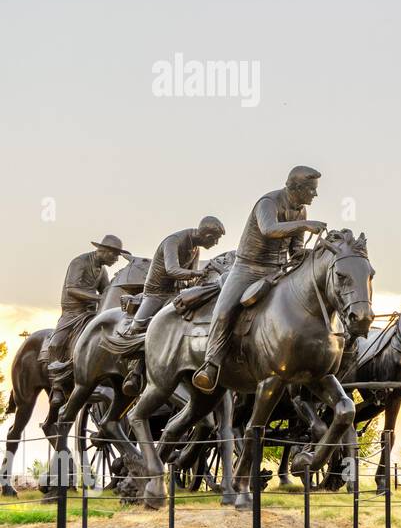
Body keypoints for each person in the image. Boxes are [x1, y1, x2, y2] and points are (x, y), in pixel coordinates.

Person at [191, 167, 324, 393]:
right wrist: (304, 225)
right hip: (248, 269)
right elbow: (268, 229)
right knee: (224, 311)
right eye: (312, 189)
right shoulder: (268, 202)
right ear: (297, 187)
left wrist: (308, 257)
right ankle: (211, 363)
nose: (315, 195)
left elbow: (296, 247)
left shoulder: (301, 211)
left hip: (278, 270)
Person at [121, 217, 226, 395]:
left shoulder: (195, 249)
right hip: (156, 294)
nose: (215, 243)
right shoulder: (174, 241)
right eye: (214, 239)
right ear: (206, 234)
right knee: (138, 326)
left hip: (176, 294)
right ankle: (134, 372)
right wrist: (196, 272)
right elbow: (172, 270)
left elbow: (191, 279)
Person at [40, 235, 129, 386]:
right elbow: (72, 289)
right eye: (113, 254)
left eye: (117, 255)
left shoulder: (102, 271)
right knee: (57, 342)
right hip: (72, 312)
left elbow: (106, 292)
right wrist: (99, 299)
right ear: (102, 250)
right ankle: (56, 383)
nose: (116, 258)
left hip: (91, 312)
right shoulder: (79, 262)